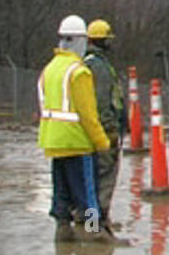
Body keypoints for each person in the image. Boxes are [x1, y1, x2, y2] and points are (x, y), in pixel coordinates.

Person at [38, 15, 112, 242]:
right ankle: (94, 231)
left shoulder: (49, 69)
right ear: (81, 41)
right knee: (86, 192)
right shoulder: (78, 72)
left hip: (53, 141)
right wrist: (102, 143)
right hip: (77, 141)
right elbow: (88, 115)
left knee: (61, 188)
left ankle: (62, 228)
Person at [83, 19, 127, 235]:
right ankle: (96, 224)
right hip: (103, 131)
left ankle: (90, 222)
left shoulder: (89, 62)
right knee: (105, 177)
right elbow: (102, 102)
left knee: (92, 178)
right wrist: (110, 130)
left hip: (91, 131)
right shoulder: (99, 67)